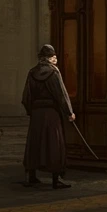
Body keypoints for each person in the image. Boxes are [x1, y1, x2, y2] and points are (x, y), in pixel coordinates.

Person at [22, 44, 74, 189]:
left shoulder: (32, 72)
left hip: (37, 114)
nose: (56, 59)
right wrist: (69, 112)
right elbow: (61, 95)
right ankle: (56, 180)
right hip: (52, 114)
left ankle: (31, 176)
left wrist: (31, 111)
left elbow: (26, 96)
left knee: (34, 143)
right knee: (54, 144)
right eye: (54, 56)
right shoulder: (54, 73)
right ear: (49, 58)